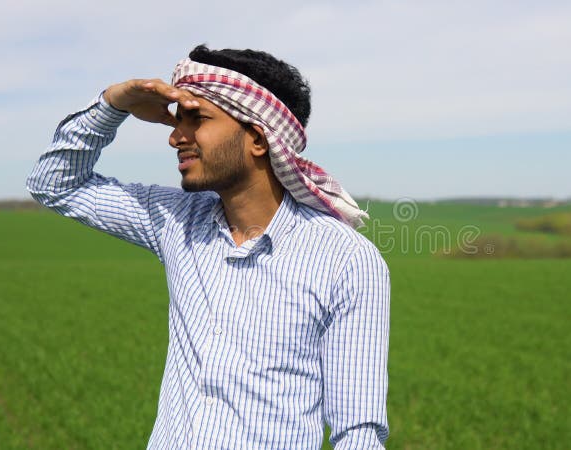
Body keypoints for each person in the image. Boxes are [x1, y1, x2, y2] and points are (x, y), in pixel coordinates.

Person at [26, 45, 390, 449]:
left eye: (196, 119)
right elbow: (54, 185)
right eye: (178, 120)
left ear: (257, 138)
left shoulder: (346, 261)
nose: (175, 137)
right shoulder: (174, 220)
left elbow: (358, 431)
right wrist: (114, 105)